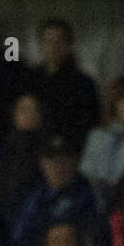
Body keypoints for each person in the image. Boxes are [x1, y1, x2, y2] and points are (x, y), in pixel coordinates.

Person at [26, 19, 99, 151]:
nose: (54, 46)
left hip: (70, 153)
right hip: (33, 149)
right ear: (41, 45)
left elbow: (89, 124)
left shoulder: (83, 84)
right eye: (48, 41)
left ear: (69, 45)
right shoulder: (29, 80)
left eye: (59, 41)